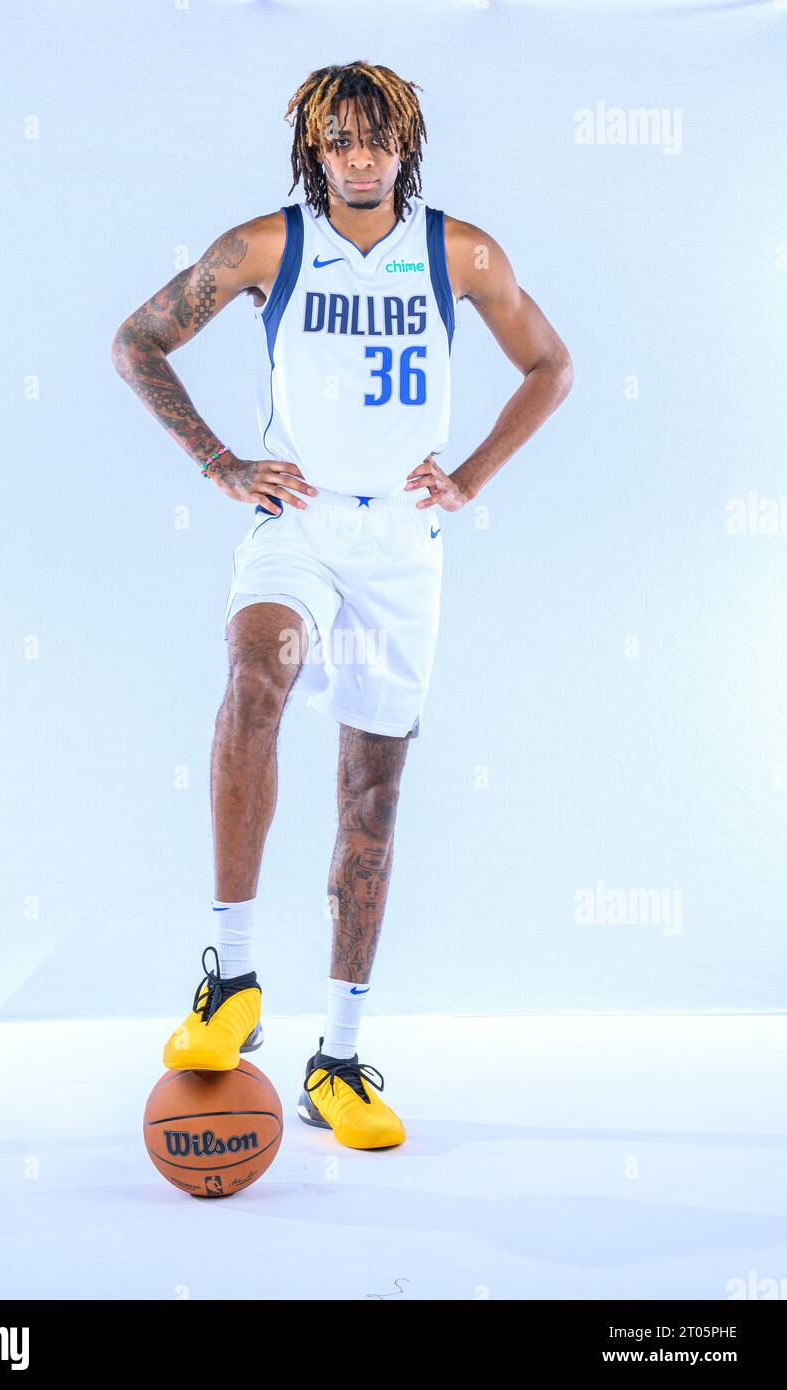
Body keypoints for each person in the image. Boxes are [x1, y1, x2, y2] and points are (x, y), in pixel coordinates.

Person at [112, 59, 573, 1150]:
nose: (360, 157)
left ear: (405, 146)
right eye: (340, 140)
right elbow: (138, 341)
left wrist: (470, 478)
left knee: (372, 792)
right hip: (301, 521)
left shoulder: (460, 254)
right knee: (255, 669)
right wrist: (222, 463)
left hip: (401, 542)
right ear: (313, 150)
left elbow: (549, 364)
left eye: (378, 139)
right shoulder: (264, 247)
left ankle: (340, 1055)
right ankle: (230, 976)